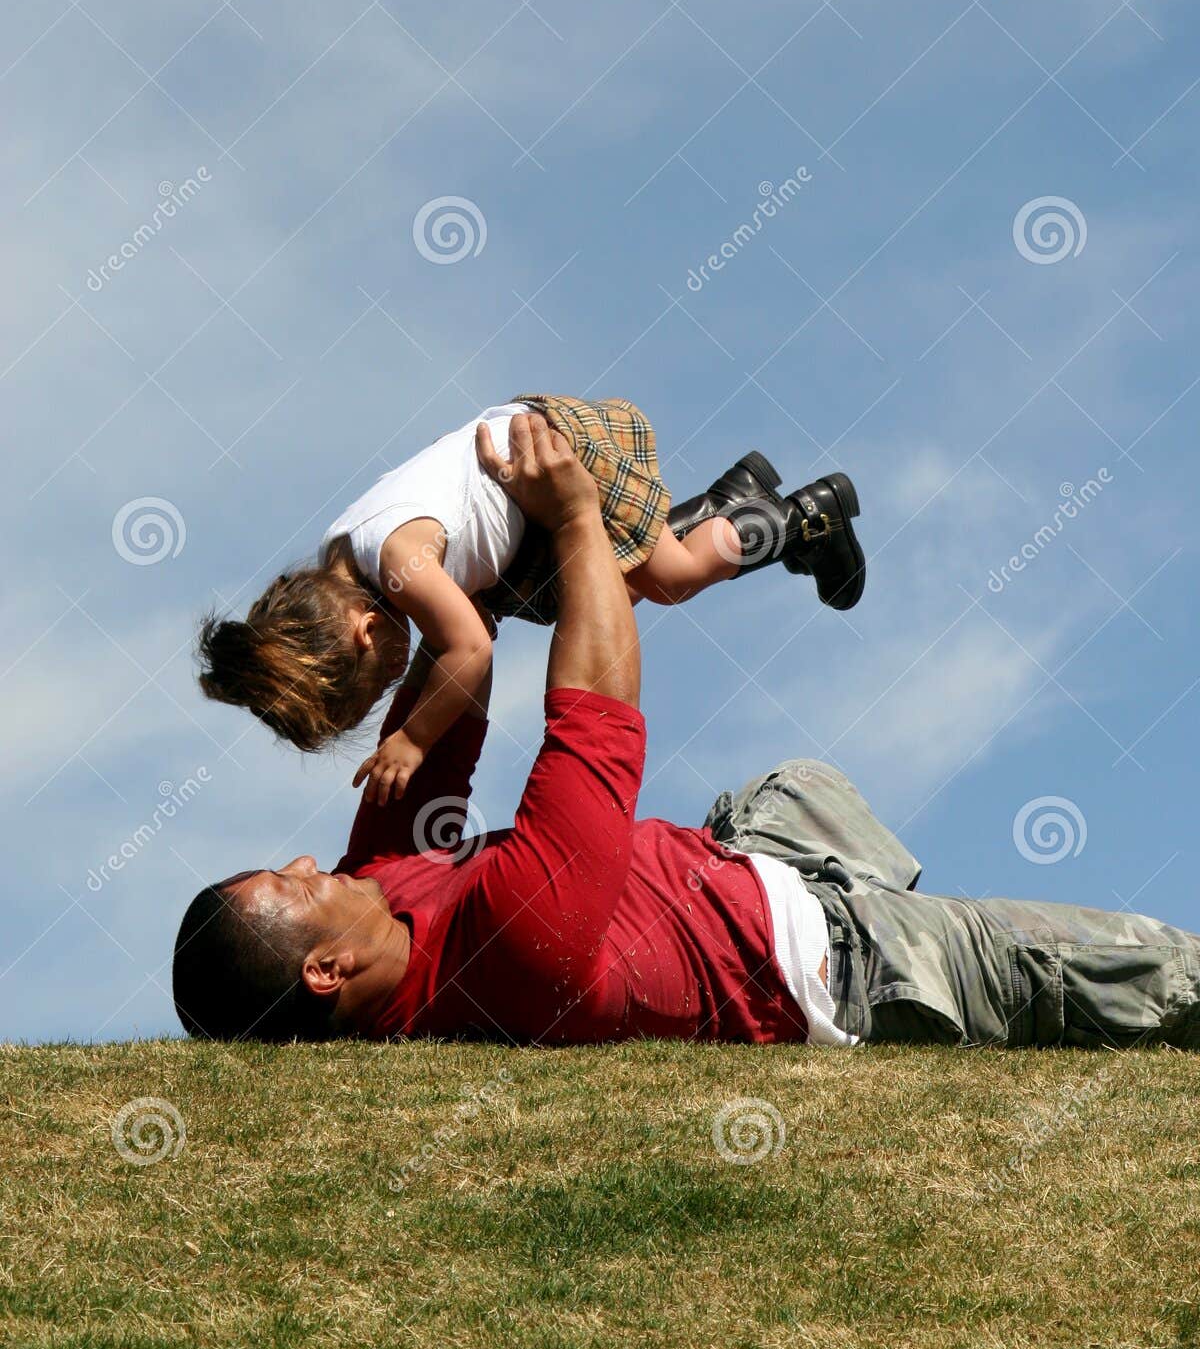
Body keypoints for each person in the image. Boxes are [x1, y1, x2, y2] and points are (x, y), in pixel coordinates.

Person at [173, 416, 1200, 1052]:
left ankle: (746, 520)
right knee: (1154, 975)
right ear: (325, 973)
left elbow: (455, 691)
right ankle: (959, 967)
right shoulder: (508, 951)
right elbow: (595, 726)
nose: (312, 859)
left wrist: (465, 572)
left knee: (794, 776)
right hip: (833, 957)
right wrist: (575, 520)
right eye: (292, 884)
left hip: (757, 851)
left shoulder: (383, 883)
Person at [194, 394, 865, 806]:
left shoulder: (397, 565)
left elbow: (470, 648)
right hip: (523, 485)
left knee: (670, 577)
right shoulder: (349, 551)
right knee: (586, 598)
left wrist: (413, 739)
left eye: (381, 686)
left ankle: (807, 518)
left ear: (365, 632)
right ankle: (732, 497)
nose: (398, 683)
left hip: (554, 450)